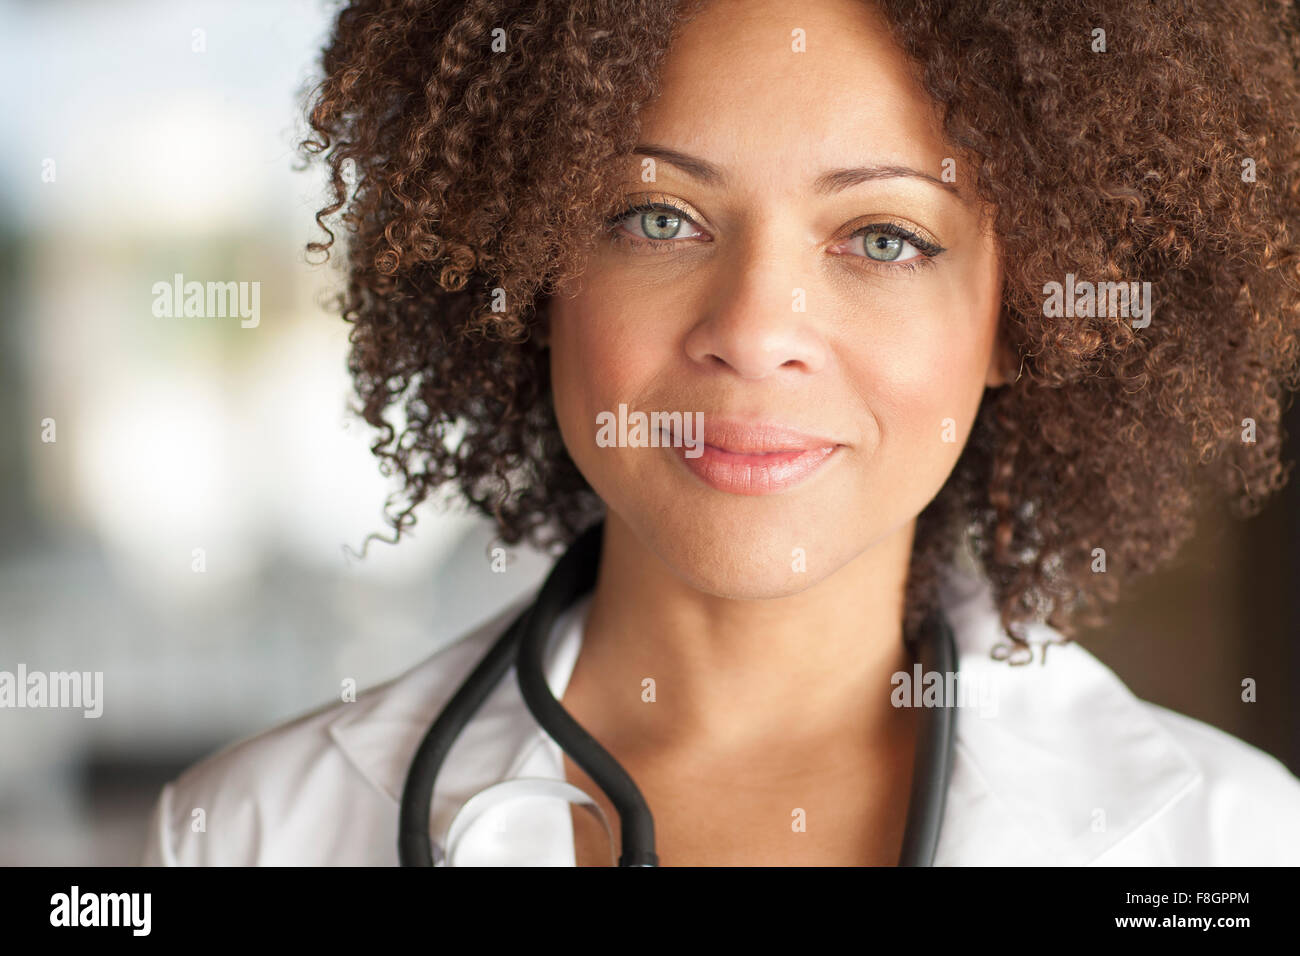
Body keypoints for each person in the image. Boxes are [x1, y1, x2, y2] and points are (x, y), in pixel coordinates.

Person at [143, 0, 1300, 865]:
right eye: (660, 216)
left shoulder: (1234, 845)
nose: (754, 331)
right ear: (532, 258)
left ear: (1022, 310)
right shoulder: (246, 831)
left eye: (885, 237)